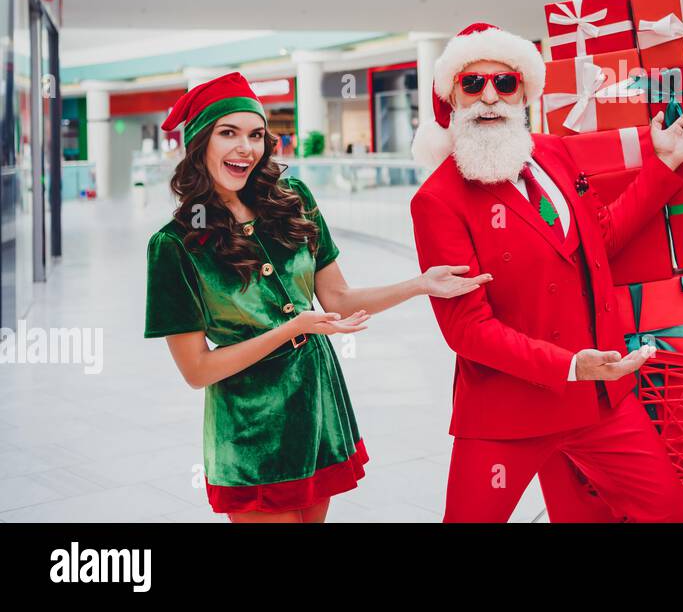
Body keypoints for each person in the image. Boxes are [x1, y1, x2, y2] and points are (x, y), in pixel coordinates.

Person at [144, 72, 488, 522]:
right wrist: (291, 329)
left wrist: (420, 283)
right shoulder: (174, 244)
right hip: (250, 426)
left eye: (255, 135)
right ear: (200, 142)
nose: (245, 149)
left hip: (316, 405)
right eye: (228, 133)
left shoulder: (294, 201)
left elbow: (339, 299)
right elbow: (197, 369)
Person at [409, 22, 683, 522]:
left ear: (524, 93)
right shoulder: (437, 201)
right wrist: (568, 365)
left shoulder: (553, 154)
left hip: (601, 398)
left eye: (504, 83)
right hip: (508, 410)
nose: (489, 96)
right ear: (452, 99)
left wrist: (665, 164)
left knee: (666, 508)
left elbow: (600, 240)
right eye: (473, 83)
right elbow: (467, 329)